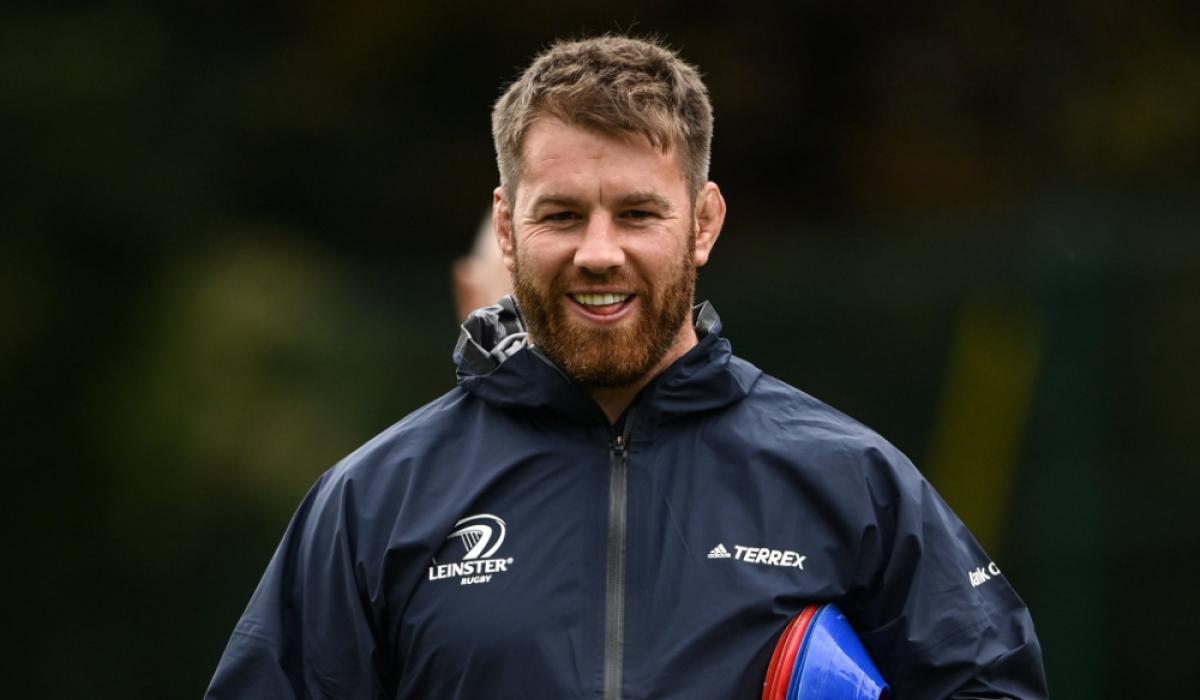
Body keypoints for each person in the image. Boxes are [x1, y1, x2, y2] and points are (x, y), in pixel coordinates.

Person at [206, 35, 1048, 699]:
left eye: (638, 213)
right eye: (562, 215)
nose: (598, 252)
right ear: (506, 228)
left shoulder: (849, 481)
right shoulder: (375, 501)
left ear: (703, 223)